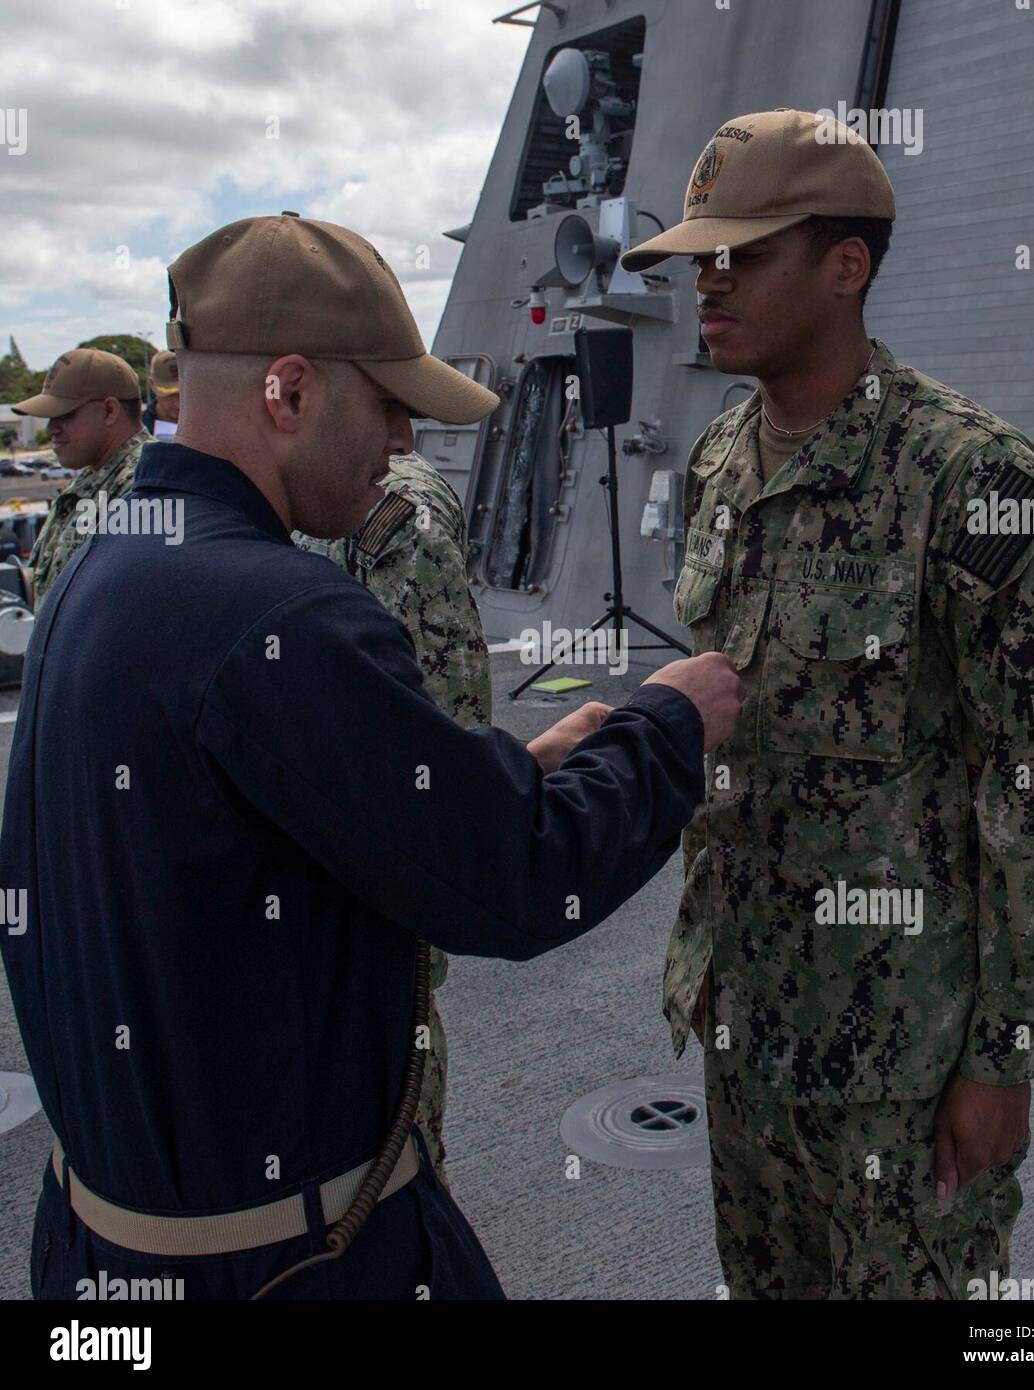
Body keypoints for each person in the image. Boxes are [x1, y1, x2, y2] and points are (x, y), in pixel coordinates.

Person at [0, 212, 743, 1301]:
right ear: (288, 391)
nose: (403, 441)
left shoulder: (99, 573)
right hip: (290, 1266)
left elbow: (233, 844)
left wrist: (501, 774)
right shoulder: (285, 607)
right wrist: (666, 726)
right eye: (388, 403)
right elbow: (517, 880)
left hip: (98, 1255)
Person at [621, 109, 1034, 1300]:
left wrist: (1001, 1059)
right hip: (743, 1018)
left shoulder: (970, 477)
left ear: (844, 268)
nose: (709, 280)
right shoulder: (718, 463)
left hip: (901, 1057)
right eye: (702, 257)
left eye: (741, 253)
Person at [295, 451, 495, 1184]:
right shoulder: (264, 491)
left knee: (384, 1173)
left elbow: (444, 742)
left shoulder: (396, 521)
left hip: (365, 913)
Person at [11, 347, 151, 606]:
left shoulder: (142, 487)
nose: (52, 428)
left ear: (110, 411)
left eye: (65, 414)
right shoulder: (93, 479)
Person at [142, 349, 180, 437]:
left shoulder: (208, 424)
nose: (178, 404)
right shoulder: (137, 428)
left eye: (185, 395)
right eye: (170, 394)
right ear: (152, 385)